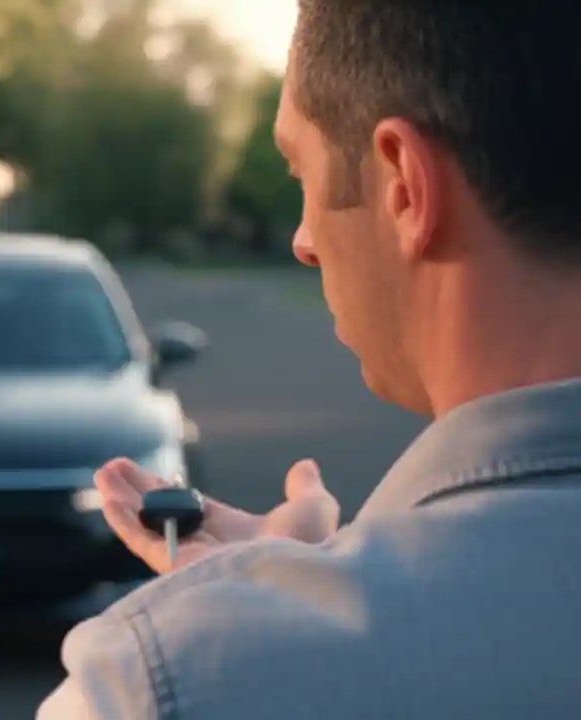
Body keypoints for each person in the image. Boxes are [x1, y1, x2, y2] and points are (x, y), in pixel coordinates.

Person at [39, 1, 581, 717]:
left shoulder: (168, 680)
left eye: (301, 172)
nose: (303, 240)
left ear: (403, 187)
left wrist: (244, 613)